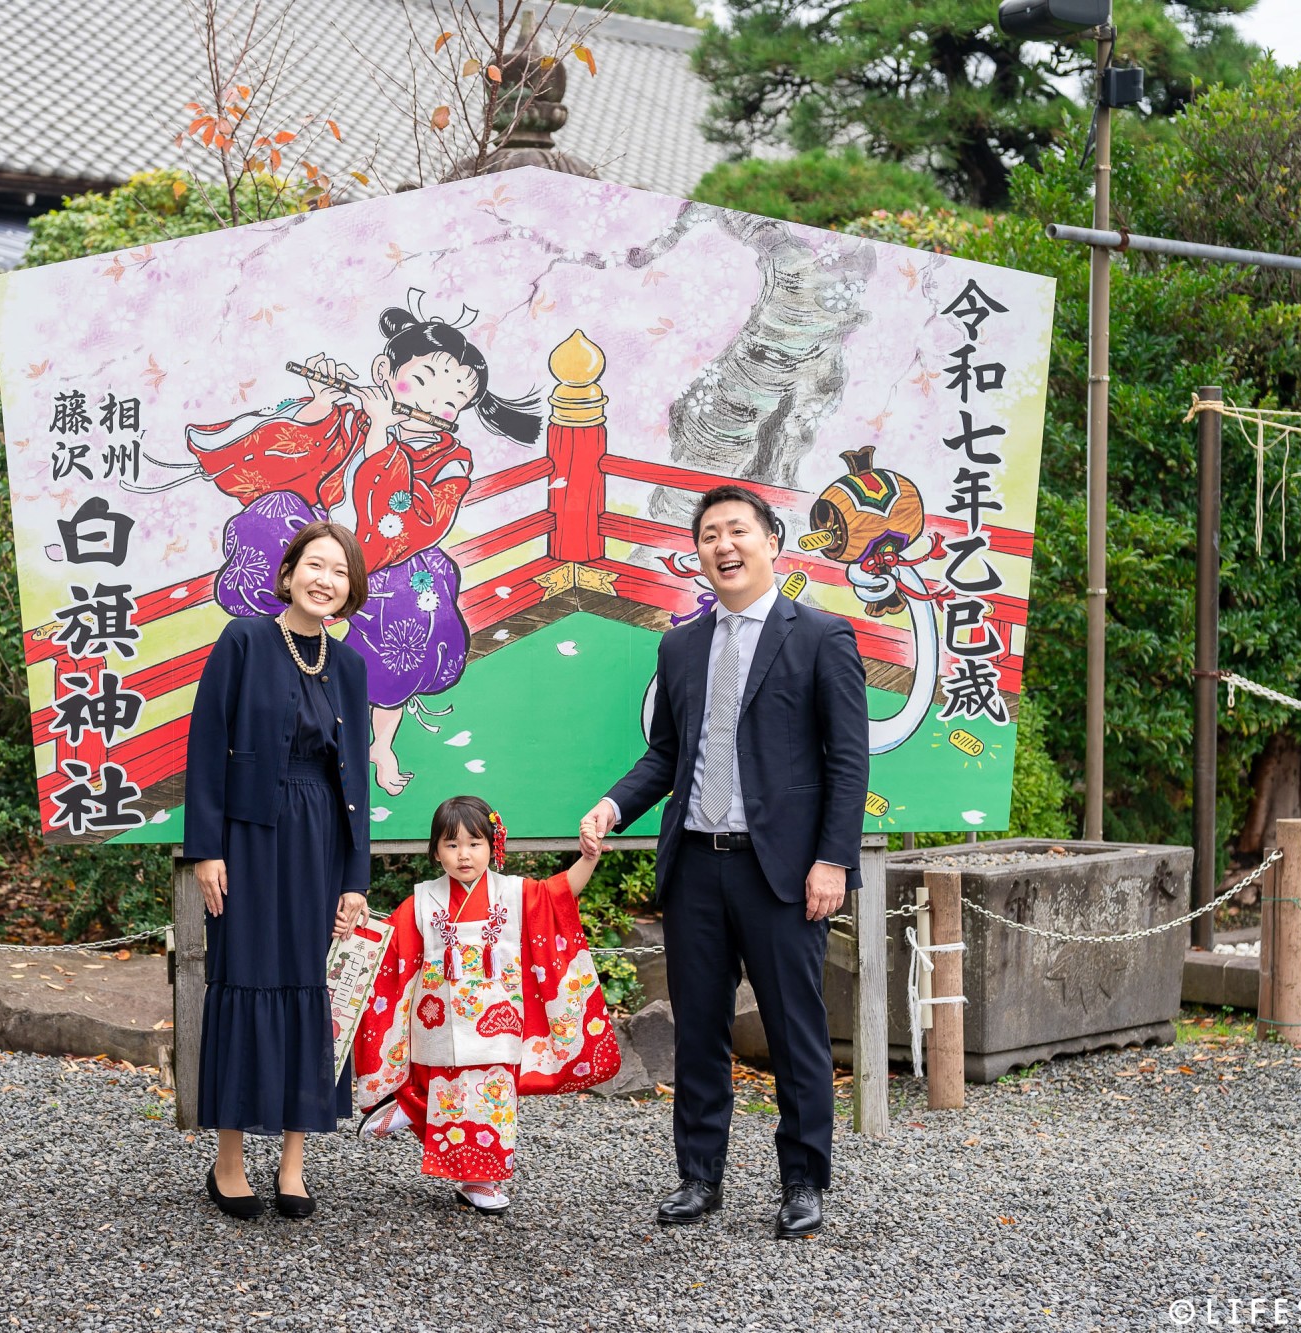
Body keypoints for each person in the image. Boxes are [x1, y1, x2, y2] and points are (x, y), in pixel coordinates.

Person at [581, 484, 868, 1238]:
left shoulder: (821, 636)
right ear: (699, 552)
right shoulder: (681, 643)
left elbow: (848, 764)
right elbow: (667, 754)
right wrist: (614, 805)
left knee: (793, 1029)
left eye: (737, 530)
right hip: (696, 870)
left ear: (772, 540)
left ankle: (803, 1180)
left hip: (782, 872)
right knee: (699, 1028)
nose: (723, 545)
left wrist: (832, 860)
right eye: (710, 534)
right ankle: (698, 1175)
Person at [183, 289, 543, 796]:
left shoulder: (451, 459)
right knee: (271, 519)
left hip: (394, 561)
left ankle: (381, 740)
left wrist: (381, 440)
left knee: (413, 622)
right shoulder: (352, 418)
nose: (430, 404)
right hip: (321, 551)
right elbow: (287, 466)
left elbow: (408, 523)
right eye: (419, 383)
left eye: (450, 400)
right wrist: (318, 406)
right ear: (382, 372)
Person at [184, 520, 374, 1220]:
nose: (326, 580)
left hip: (321, 839)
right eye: (314, 566)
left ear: (350, 589)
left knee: (313, 990)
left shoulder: (349, 667)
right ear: (289, 571)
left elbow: (356, 781)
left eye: (340, 572)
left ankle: (293, 1164)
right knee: (244, 981)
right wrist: (207, 847)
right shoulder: (244, 639)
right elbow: (207, 745)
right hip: (251, 839)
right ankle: (228, 1160)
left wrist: (355, 878)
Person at [351, 796, 619, 1214]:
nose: (463, 855)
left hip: (499, 1019)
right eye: (451, 845)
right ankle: (405, 1103)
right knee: (444, 1093)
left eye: (474, 844)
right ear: (435, 851)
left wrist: (588, 858)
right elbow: (391, 947)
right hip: (438, 1019)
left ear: (493, 846)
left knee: (491, 1101)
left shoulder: (513, 892)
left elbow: (558, 894)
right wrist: (356, 925)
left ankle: (480, 1178)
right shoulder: (423, 901)